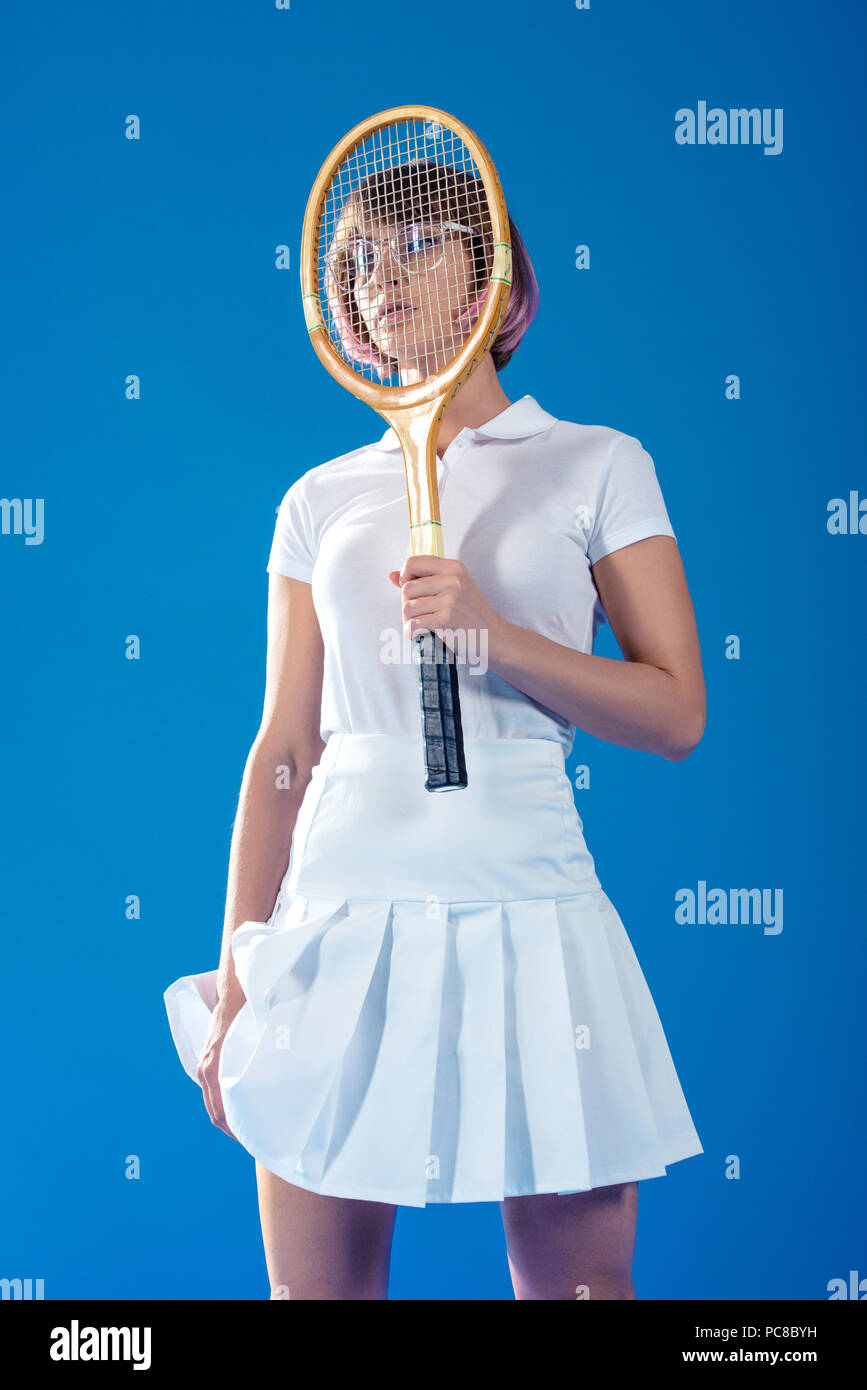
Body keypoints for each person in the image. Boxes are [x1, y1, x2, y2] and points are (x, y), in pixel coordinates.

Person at [164, 161, 706, 1301]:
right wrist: (240, 973)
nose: (381, 275)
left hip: (530, 903)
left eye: (416, 245)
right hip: (338, 914)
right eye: (357, 257)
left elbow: (676, 713)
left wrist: (497, 638)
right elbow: (285, 752)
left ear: (498, 290)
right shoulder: (319, 497)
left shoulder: (599, 464)